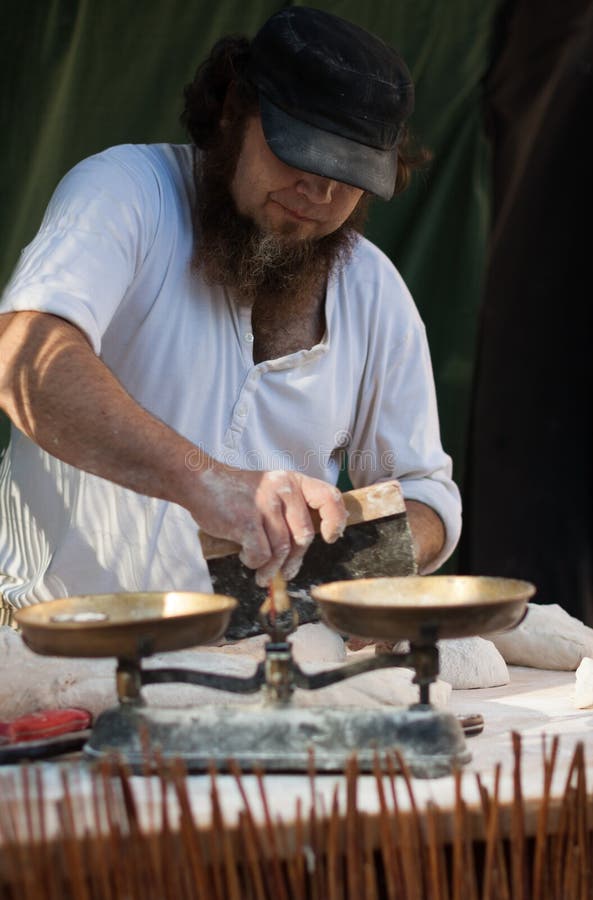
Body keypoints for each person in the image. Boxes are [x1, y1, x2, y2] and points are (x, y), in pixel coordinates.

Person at [0, 7, 461, 615]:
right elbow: (23, 358)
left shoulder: (374, 291)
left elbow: (426, 494)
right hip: (61, 638)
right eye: (301, 155)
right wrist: (206, 482)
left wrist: (357, 562)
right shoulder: (127, 192)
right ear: (232, 113)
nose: (319, 193)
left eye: (348, 176)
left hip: (268, 652)